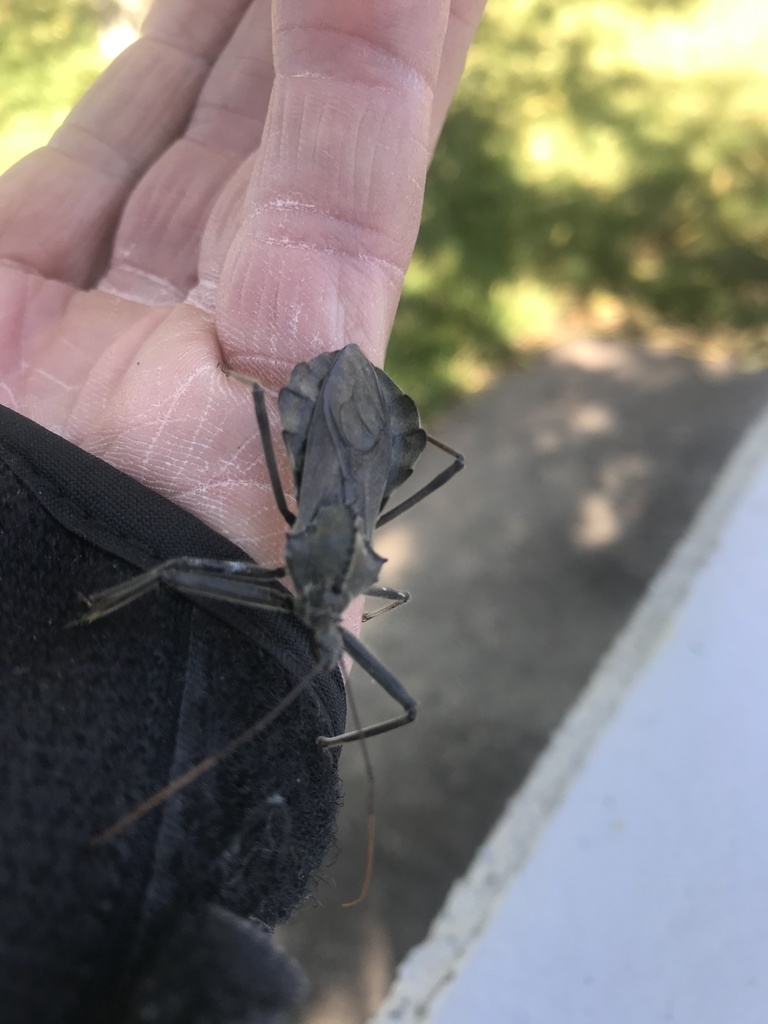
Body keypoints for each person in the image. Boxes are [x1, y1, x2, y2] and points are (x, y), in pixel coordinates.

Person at [0, 0, 486, 1020]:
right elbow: (248, 511)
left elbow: (281, 476)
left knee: (387, 692)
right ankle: (96, 610)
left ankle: (106, 612)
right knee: (353, 667)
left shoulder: (302, 586)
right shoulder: (303, 580)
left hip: (332, 487)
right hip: (330, 490)